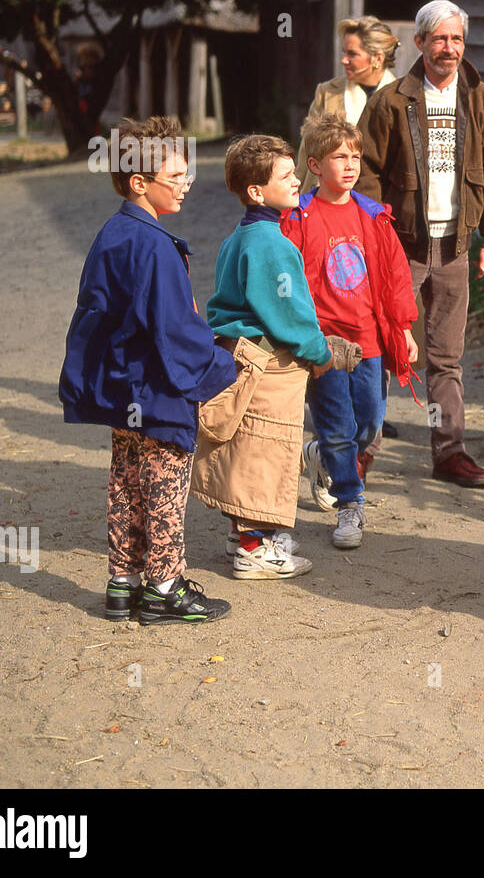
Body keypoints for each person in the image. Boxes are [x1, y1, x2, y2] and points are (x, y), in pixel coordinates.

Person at [59, 115, 236, 625]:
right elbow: (176, 329)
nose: (186, 185)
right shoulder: (155, 244)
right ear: (140, 182)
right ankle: (163, 586)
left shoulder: (112, 232)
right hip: (158, 388)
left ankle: (122, 582)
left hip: (121, 386)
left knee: (126, 480)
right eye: (175, 176)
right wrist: (221, 365)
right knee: (163, 482)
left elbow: (93, 313)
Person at [358, 0, 484, 488]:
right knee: (385, 351)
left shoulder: (482, 100)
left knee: (446, 358)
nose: (449, 49)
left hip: (454, 247)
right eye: (440, 39)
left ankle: (449, 453)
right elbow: (365, 172)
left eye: (457, 39)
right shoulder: (391, 101)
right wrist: (377, 234)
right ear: (421, 43)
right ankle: (362, 452)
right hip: (401, 246)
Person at [190, 135, 344, 579]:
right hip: (267, 361)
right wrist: (318, 352)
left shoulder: (241, 236)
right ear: (256, 191)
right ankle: (255, 550)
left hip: (238, 354)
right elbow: (288, 313)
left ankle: (247, 536)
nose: (297, 179)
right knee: (264, 453)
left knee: (246, 451)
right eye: (286, 175)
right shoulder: (272, 244)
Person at [281, 114, 420, 548]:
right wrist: (299, 335)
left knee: (370, 425)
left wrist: (405, 330)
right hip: (324, 343)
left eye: (355, 156)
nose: (350, 164)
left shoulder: (373, 216)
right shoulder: (299, 216)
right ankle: (349, 504)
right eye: (340, 156)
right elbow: (284, 276)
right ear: (315, 165)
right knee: (338, 425)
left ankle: (320, 454)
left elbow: (396, 276)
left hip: (370, 340)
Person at [295, 17, 399, 192]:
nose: (344, 60)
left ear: (377, 59)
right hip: (325, 198)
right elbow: (306, 151)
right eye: (344, 53)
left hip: (376, 199)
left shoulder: (400, 98)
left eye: (352, 54)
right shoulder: (327, 92)